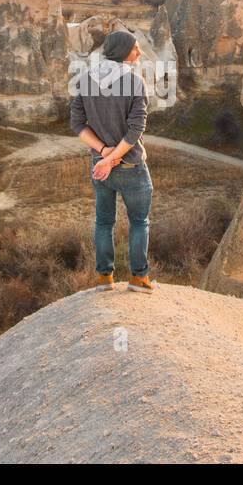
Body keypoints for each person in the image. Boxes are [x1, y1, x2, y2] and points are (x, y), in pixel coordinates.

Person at [68, 30, 156, 293]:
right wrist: (113, 157)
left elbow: (77, 123)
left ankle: (104, 278)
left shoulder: (85, 79)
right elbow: (135, 130)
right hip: (130, 166)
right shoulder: (134, 81)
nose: (139, 53)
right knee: (139, 222)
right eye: (135, 48)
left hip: (99, 167)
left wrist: (103, 153)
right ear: (123, 51)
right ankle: (139, 278)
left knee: (104, 222)